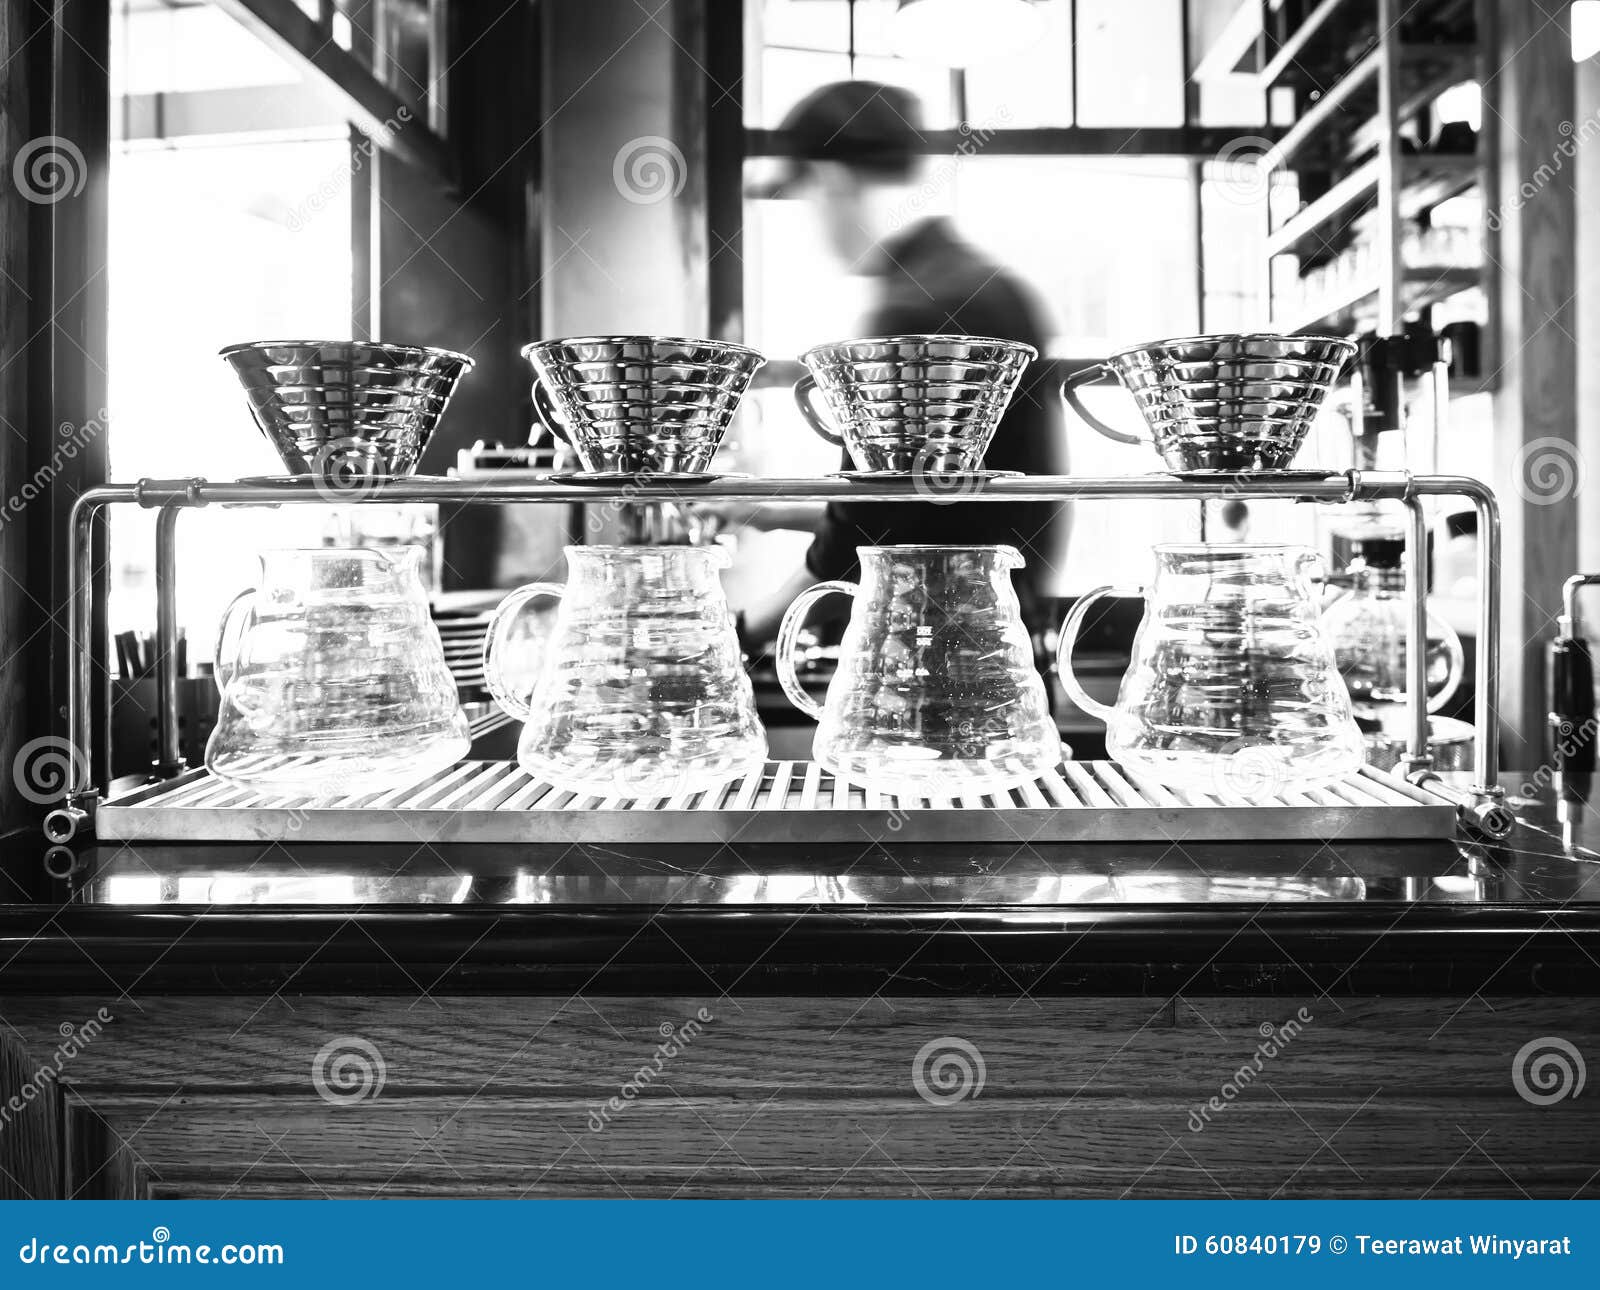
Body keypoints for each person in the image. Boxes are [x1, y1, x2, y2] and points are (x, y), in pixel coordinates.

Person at [725, 80, 1069, 646]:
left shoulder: (917, 310)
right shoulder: (981, 284)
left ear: (831, 182)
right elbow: (928, 499)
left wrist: (737, 635)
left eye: (802, 200)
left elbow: (864, 537)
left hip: (942, 658)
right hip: (999, 637)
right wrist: (772, 511)